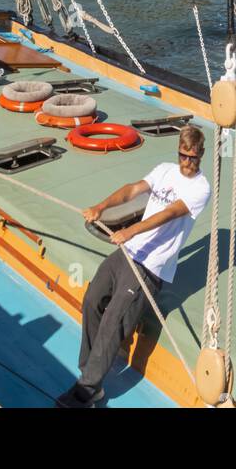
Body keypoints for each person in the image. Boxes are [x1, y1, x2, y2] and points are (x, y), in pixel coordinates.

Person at [57, 124, 210, 408]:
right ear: (178, 151)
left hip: (150, 267)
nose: (187, 163)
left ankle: (87, 390)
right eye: (183, 156)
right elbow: (132, 191)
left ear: (201, 154)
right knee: (92, 300)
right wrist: (101, 207)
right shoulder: (165, 169)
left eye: (193, 158)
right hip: (129, 253)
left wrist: (131, 230)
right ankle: (88, 372)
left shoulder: (201, 187)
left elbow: (170, 213)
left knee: (114, 319)